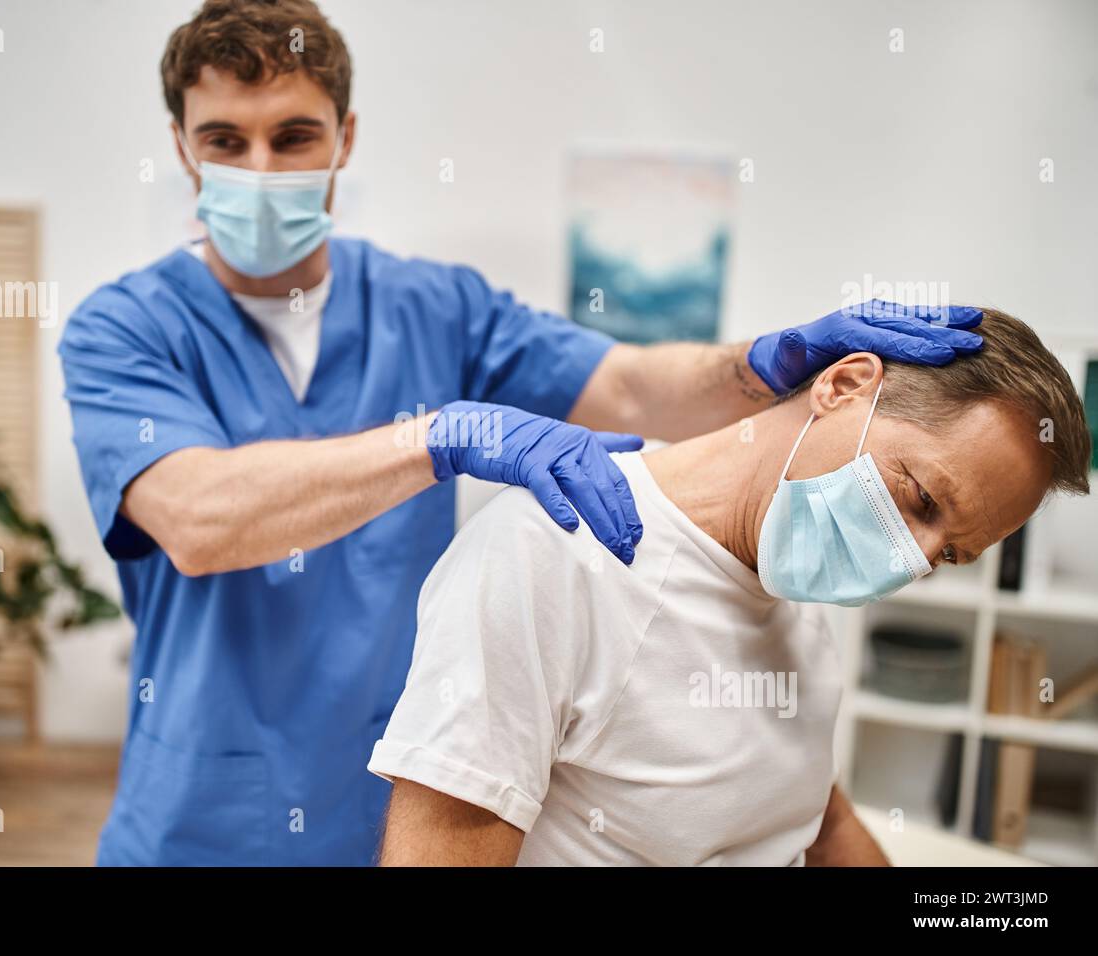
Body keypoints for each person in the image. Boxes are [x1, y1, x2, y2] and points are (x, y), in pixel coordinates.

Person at [58, 0, 984, 865]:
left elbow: (624, 383)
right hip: (199, 813)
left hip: (394, 802)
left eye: (293, 135)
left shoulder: (436, 307)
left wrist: (760, 365)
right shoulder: (123, 327)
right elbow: (197, 519)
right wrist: (436, 438)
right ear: (182, 149)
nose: (261, 170)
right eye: (226, 141)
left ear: (345, 138)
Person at [369, 309, 1090, 866]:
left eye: (951, 557)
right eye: (923, 500)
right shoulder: (553, 553)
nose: (912, 559)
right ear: (842, 386)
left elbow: (813, 815)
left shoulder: (794, 570)